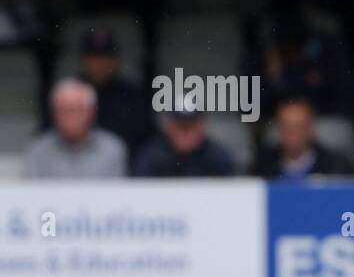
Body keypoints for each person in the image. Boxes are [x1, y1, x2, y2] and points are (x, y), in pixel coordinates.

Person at [23, 79, 127, 179]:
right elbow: (32, 194)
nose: (70, 117)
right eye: (64, 110)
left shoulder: (112, 148)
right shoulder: (38, 150)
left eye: (77, 110)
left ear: (92, 112)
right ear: (54, 113)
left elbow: (115, 194)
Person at [77, 29, 155, 157]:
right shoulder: (68, 97)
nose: (100, 64)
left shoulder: (133, 96)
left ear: (115, 61)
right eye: (94, 58)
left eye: (105, 57)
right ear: (84, 60)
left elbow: (148, 141)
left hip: (127, 172)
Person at [252, 97, 354, 180]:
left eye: (299, 126)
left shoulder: (335, 166)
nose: (293, 133)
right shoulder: (261, 167)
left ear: (310, 129)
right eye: (287, 127)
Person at [132, 101, 238, 178]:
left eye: (191, 127)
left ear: (202, 127)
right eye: (181, 127)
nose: (186, 134)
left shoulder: (218, 158)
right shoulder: (152, 157)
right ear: (170, 127)